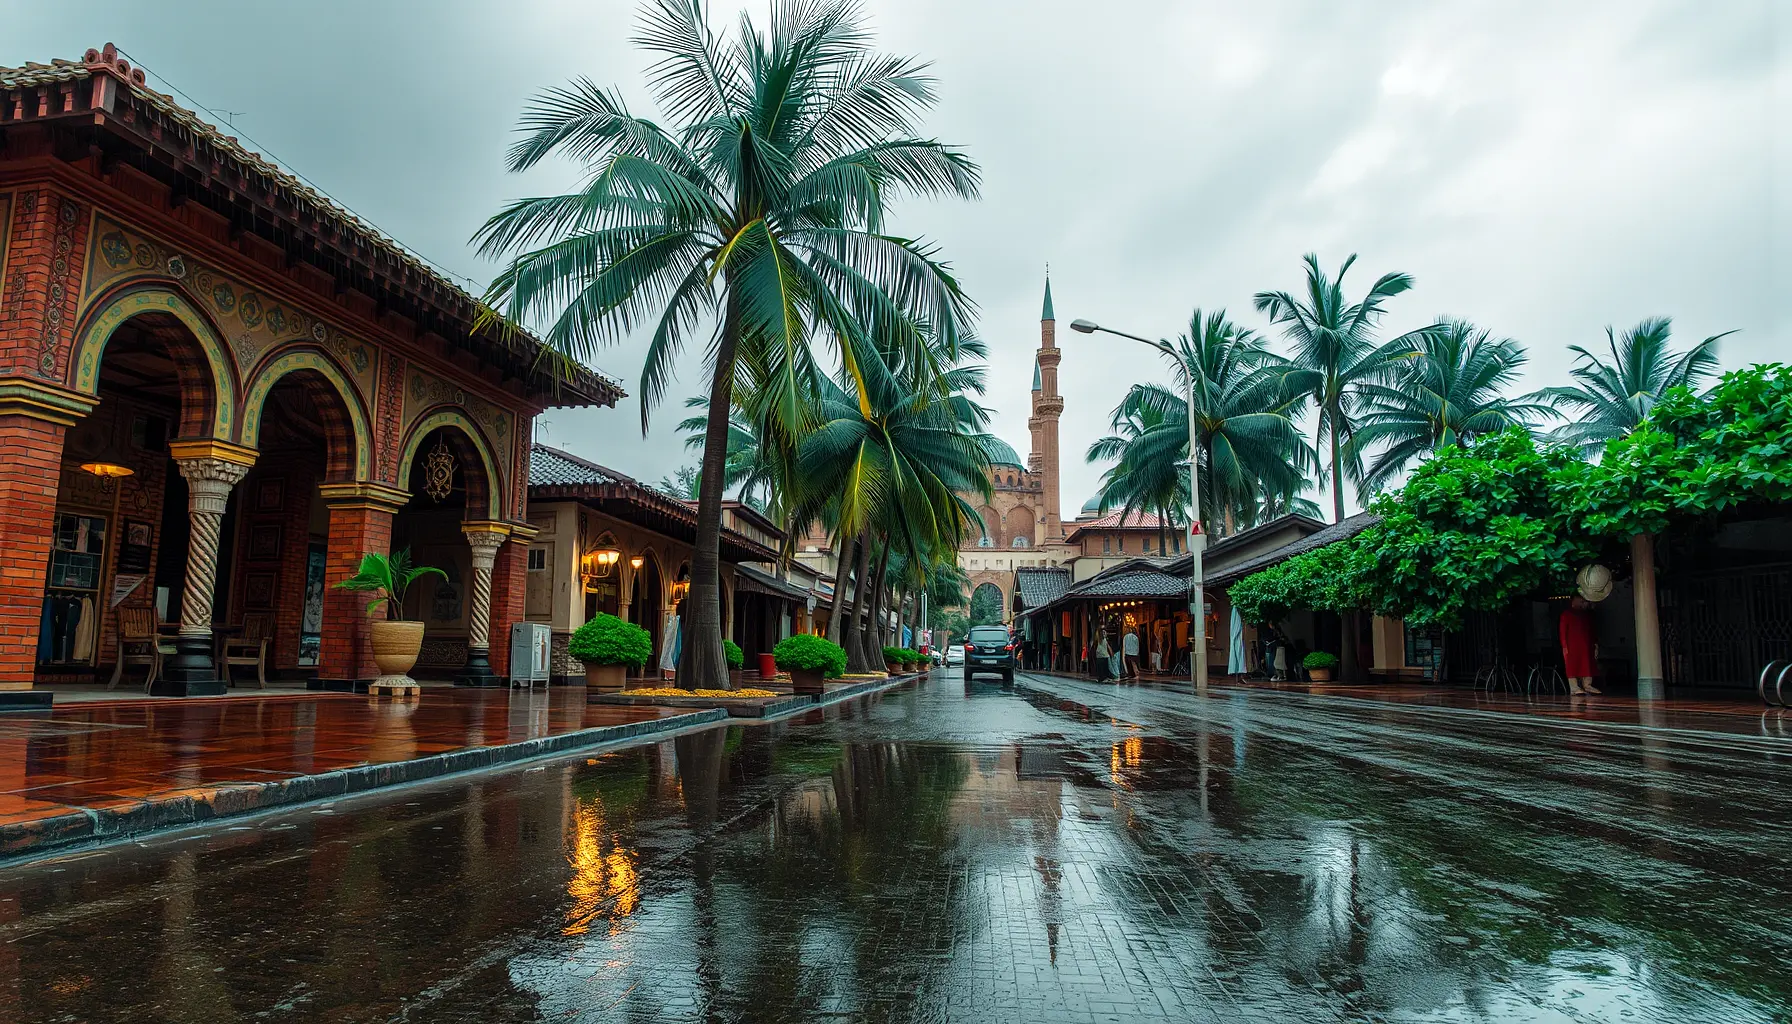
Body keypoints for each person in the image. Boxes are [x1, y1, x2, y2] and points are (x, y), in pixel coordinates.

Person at [1559, 596, 1600, 695]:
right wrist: (1564, 646)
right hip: (1572, 645)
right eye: (1581, 601)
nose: (1583, 603)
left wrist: (1595, 643)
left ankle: (1587, 685)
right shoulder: (1566, 615)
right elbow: (1563, 632)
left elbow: (1591, 631)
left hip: (1586, 644)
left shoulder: (1586, 615)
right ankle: (1574, 687)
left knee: (1588, 663)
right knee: (1572, 665)